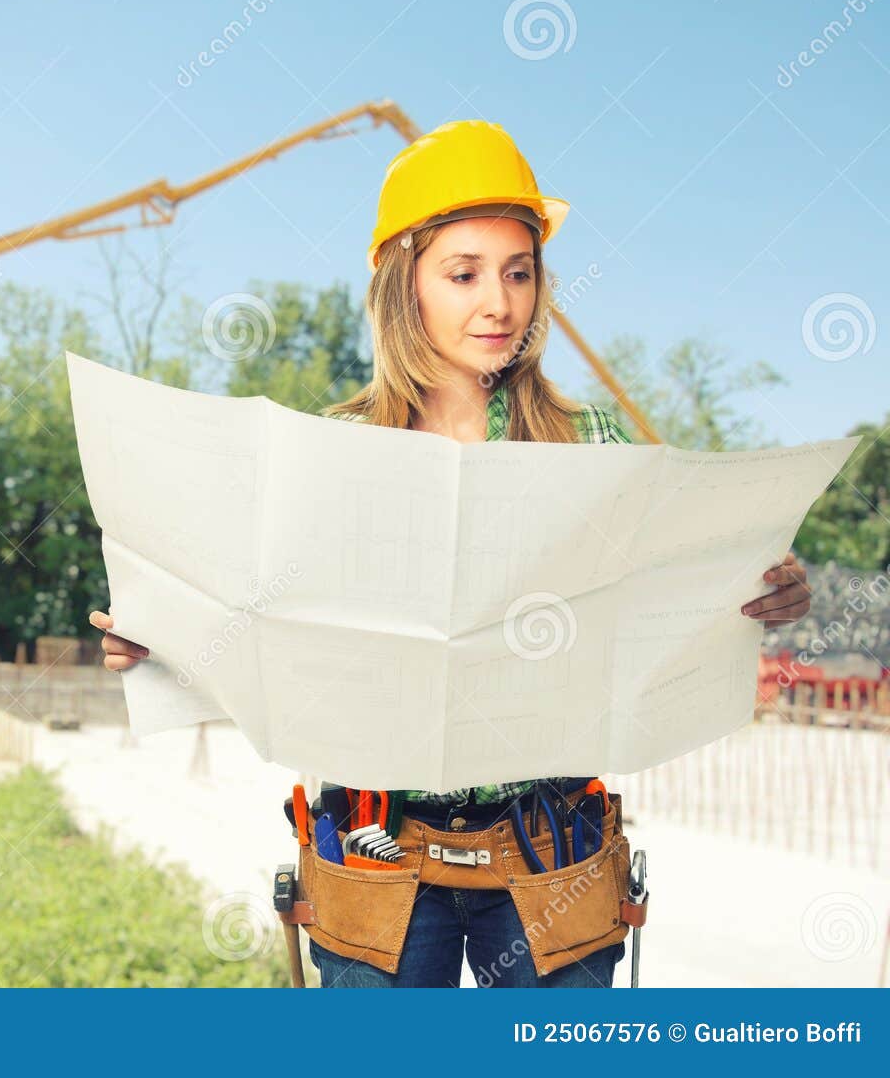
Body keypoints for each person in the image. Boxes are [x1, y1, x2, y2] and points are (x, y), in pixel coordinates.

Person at [87, 119, 812, 988]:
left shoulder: (593, 444)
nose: (499, 303)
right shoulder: (331, 451)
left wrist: (761, 588)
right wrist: (159, 637)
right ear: (405, 286)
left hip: (550, 849)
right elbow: (263, 622)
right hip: (378, 849)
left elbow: (671, 594)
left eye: (519, 271)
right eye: (464, 274)